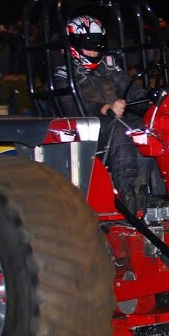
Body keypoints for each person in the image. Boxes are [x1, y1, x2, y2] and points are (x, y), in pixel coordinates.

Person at [51, 15, 153, 208]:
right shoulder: (64, 74)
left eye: (97, 46)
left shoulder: (108, 66)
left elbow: (130, 91)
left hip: (113, 122)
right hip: (83, 128)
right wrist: (104, 108)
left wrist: (154, 97)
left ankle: (142, 189)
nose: (93, 51)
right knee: (119, 128)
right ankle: (128, 191)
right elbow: (71, 106)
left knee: (144, 127)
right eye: (88, 46)